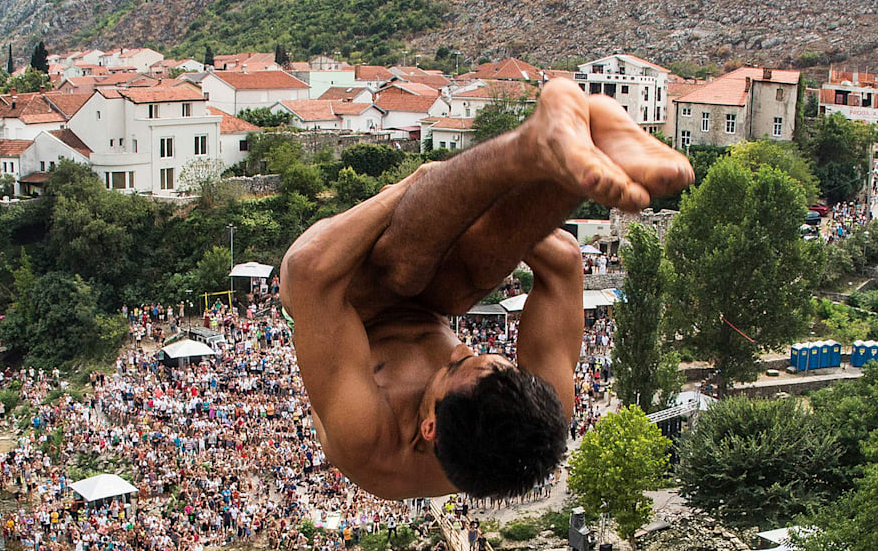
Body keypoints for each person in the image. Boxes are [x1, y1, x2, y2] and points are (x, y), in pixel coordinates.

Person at [281, 81, 690, 499]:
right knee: (478, 264)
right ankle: (587, 147)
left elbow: (309, 270)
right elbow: (564, 262)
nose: (459, 349)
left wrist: (414, 185)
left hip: (343, 290)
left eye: (455, 365)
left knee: (402, 267)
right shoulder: (539, 413)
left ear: (429, 426)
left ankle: (528, 146)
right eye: (476, 356)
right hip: (436, 297)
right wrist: (507, 203)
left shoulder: (369, 440)